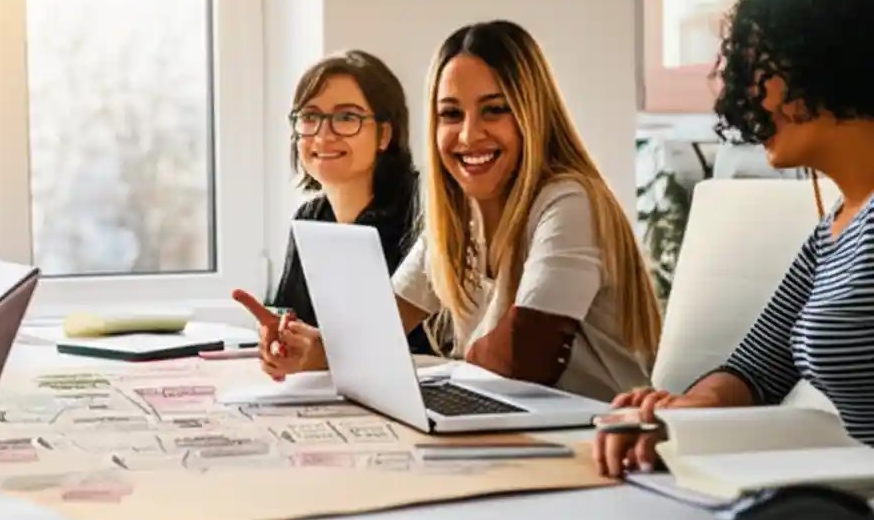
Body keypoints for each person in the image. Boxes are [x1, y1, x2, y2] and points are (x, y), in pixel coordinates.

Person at [240, 21, 662, 402]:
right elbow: (378, 328)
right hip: (516, 432)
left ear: (533, 115)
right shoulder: (457, 214)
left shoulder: (569, 201)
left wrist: (373, 359)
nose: (468, 134)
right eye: (450, 114)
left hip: (597, 442)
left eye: (494, 110)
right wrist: (313, 349)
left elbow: (524, 358)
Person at [595, 0, 874, 477]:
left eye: (759, 69)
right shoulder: (831, 233)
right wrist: (684, 415)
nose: (746, 96)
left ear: (825, 60)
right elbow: (754, 370)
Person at [234, 49, 431, 356]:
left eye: (346, 117)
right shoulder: (309, 218)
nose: (323, 136)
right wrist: (279, 342)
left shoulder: (425, 211)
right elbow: (295, 324)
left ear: (384, 134)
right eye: (310, 117)